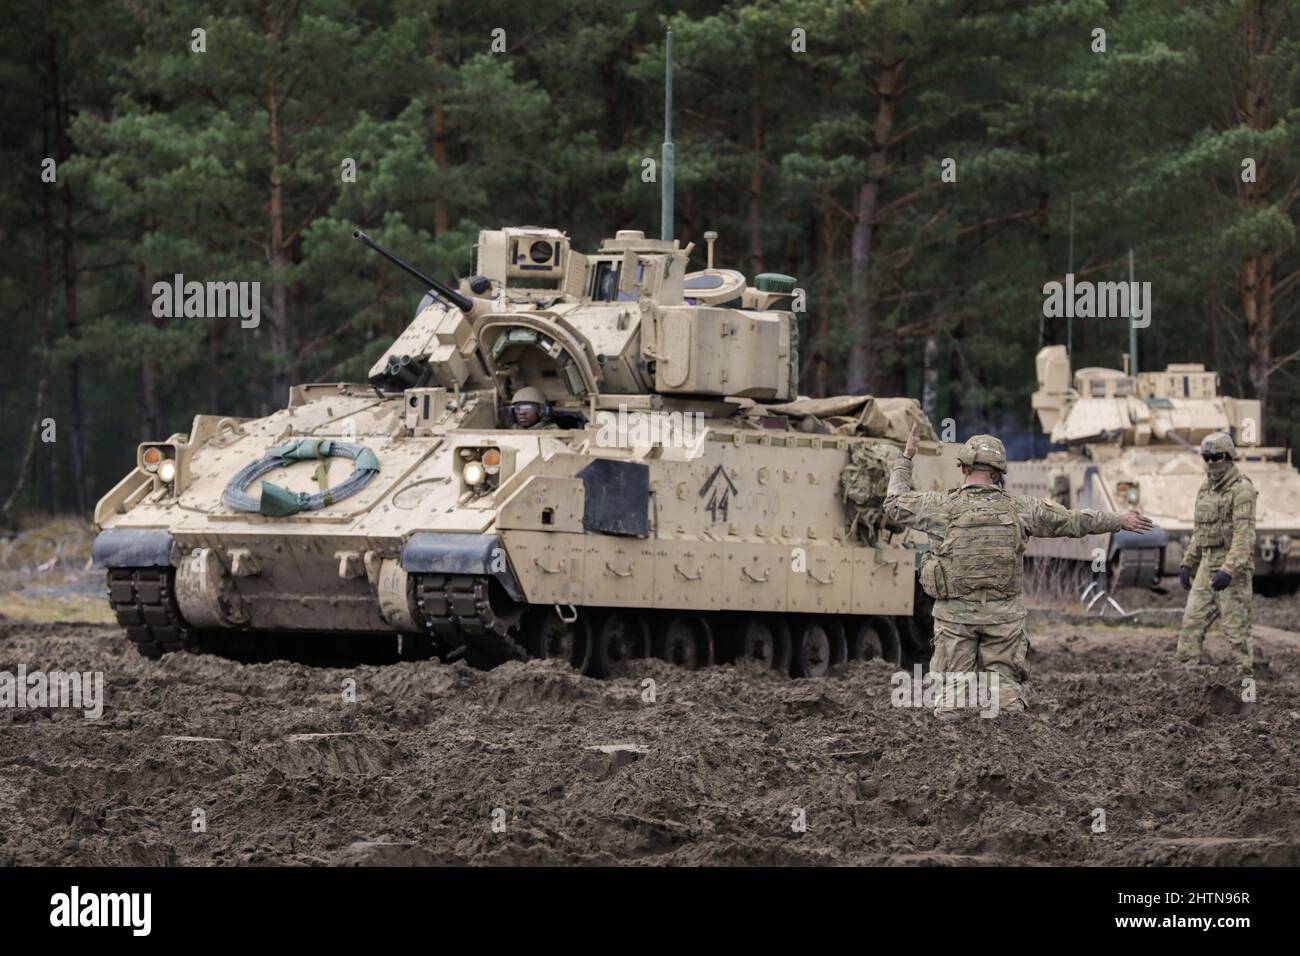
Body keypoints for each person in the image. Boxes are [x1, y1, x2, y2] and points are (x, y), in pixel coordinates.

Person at [884, 426, 1153, 714]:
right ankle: (1011, 753)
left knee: (954, 702)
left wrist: (906, 458)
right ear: (999, 472)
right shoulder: (1021, 509)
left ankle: (956, 754)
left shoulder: (938, 507)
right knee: (1006, 701)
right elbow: (1073, 522)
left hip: (955, 620)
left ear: (963, 468)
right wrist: (1118, 520)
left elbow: (894, 503)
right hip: (1004, 620)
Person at [1174, 432, 1256, 676]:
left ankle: (1244, 681)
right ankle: (1185, 678)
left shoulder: (1242, 489)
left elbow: (1244, 538)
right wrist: (1188, 562)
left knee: (1236, 631)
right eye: (1206, 457)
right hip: (1207, 565)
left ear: (1229, 457)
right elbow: (1200, 531)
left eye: (1216, 457)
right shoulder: (1205, 488)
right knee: (1191, 623)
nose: (1211, 462)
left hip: (1232, 570)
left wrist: (1228, 571)